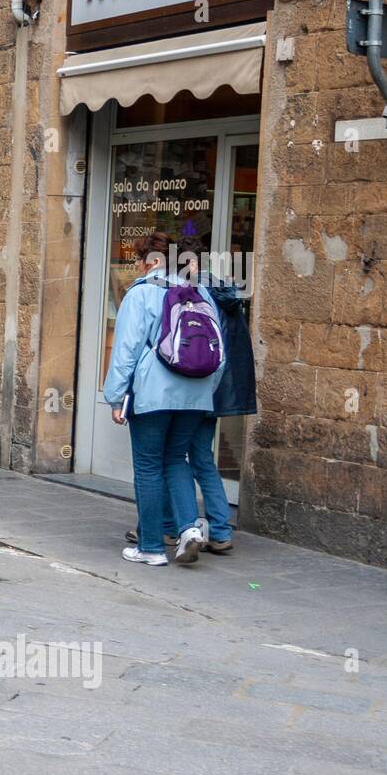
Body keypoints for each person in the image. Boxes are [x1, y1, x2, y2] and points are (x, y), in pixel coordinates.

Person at [125, 237, 256, 555]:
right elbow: (224, 350)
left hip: (184, 388)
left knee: (164, 460)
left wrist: (120, 394)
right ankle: (217, 529)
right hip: (210, 388)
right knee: (193, 460)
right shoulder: (219, 291)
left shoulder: (188, 291)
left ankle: (165, 531)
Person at [102, 230, 224, 567]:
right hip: (196, 394)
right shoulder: (200, 293)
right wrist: (204, 392)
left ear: (151, 262)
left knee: (148, 466)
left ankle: (152, 547)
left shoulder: (140, 294)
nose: (137, 267)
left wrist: (114, 397)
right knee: (176, 459)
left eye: (139, 261)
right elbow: (220, 354)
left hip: (153, 394)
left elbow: (126, 351)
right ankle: (189, 528)